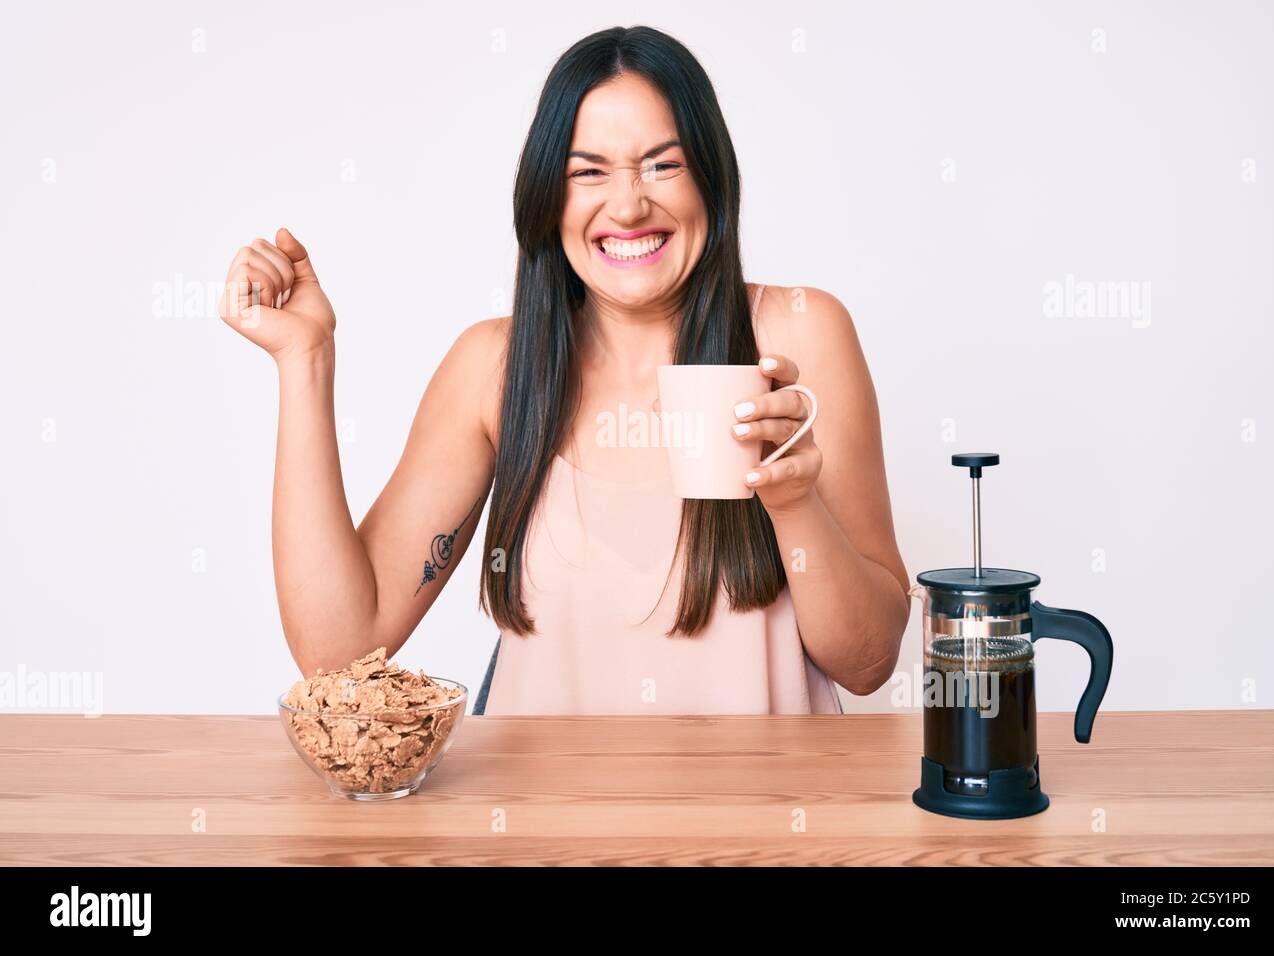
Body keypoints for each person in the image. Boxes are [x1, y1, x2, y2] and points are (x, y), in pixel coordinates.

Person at [218, 25, 909, 716]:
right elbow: (339, 649)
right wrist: (305, 360)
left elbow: (869, 663)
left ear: (712, 178)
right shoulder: (494, 368)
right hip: (545, 823)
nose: (630, 204)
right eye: (588, 172)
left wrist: (794, 504)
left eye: (663, 165)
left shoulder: (797, 333)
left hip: (758, 819)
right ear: (549, 199)